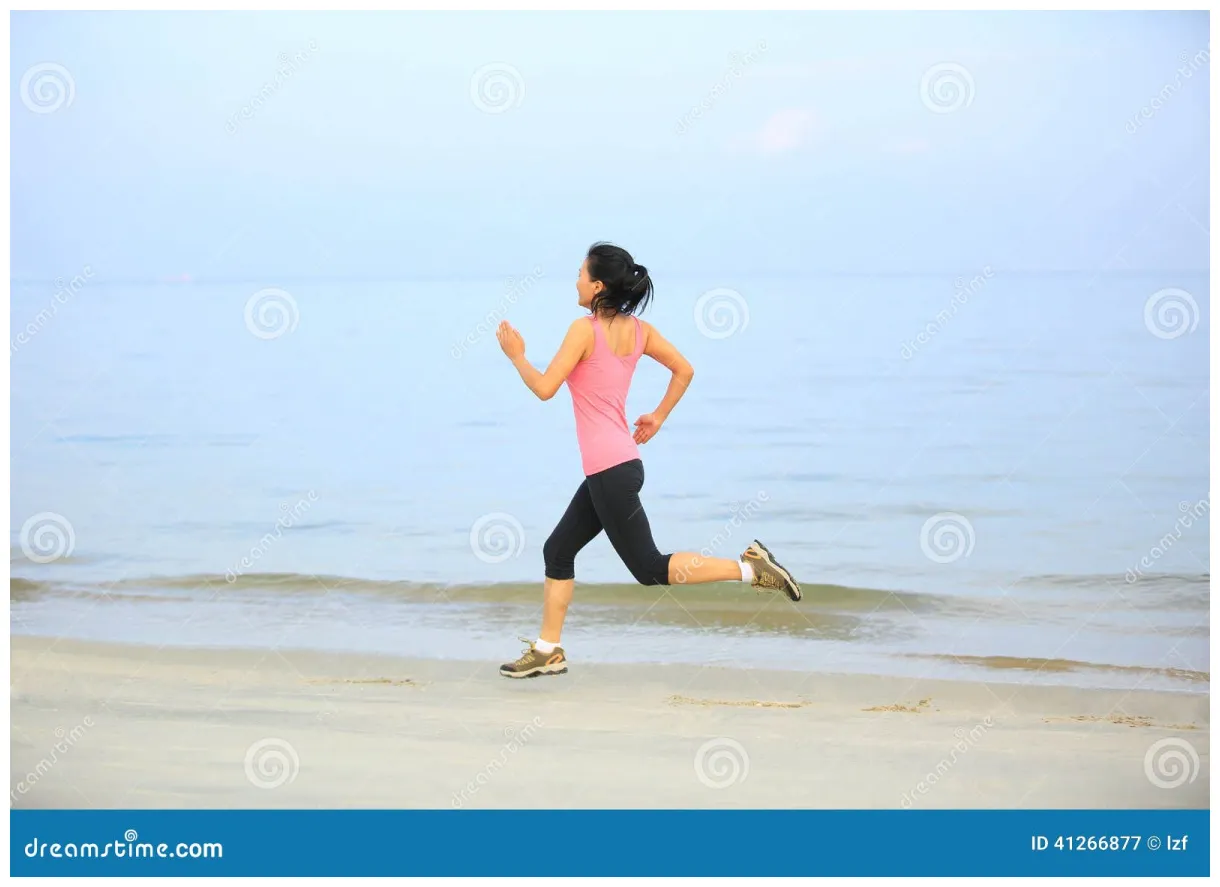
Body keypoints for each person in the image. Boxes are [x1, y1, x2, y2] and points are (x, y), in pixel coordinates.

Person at [494, 242, 801, 678]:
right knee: (557, 550)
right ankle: (548, 650)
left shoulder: (583, 330)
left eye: (581, 274)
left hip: (610, 470)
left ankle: (748, 568)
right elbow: (685, 370)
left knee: (649, 568)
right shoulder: (640, 332)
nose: (576, 281)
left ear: (598, 286)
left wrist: (517, 357)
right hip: (619, 465)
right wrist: (657, 416)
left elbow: (545, 389)